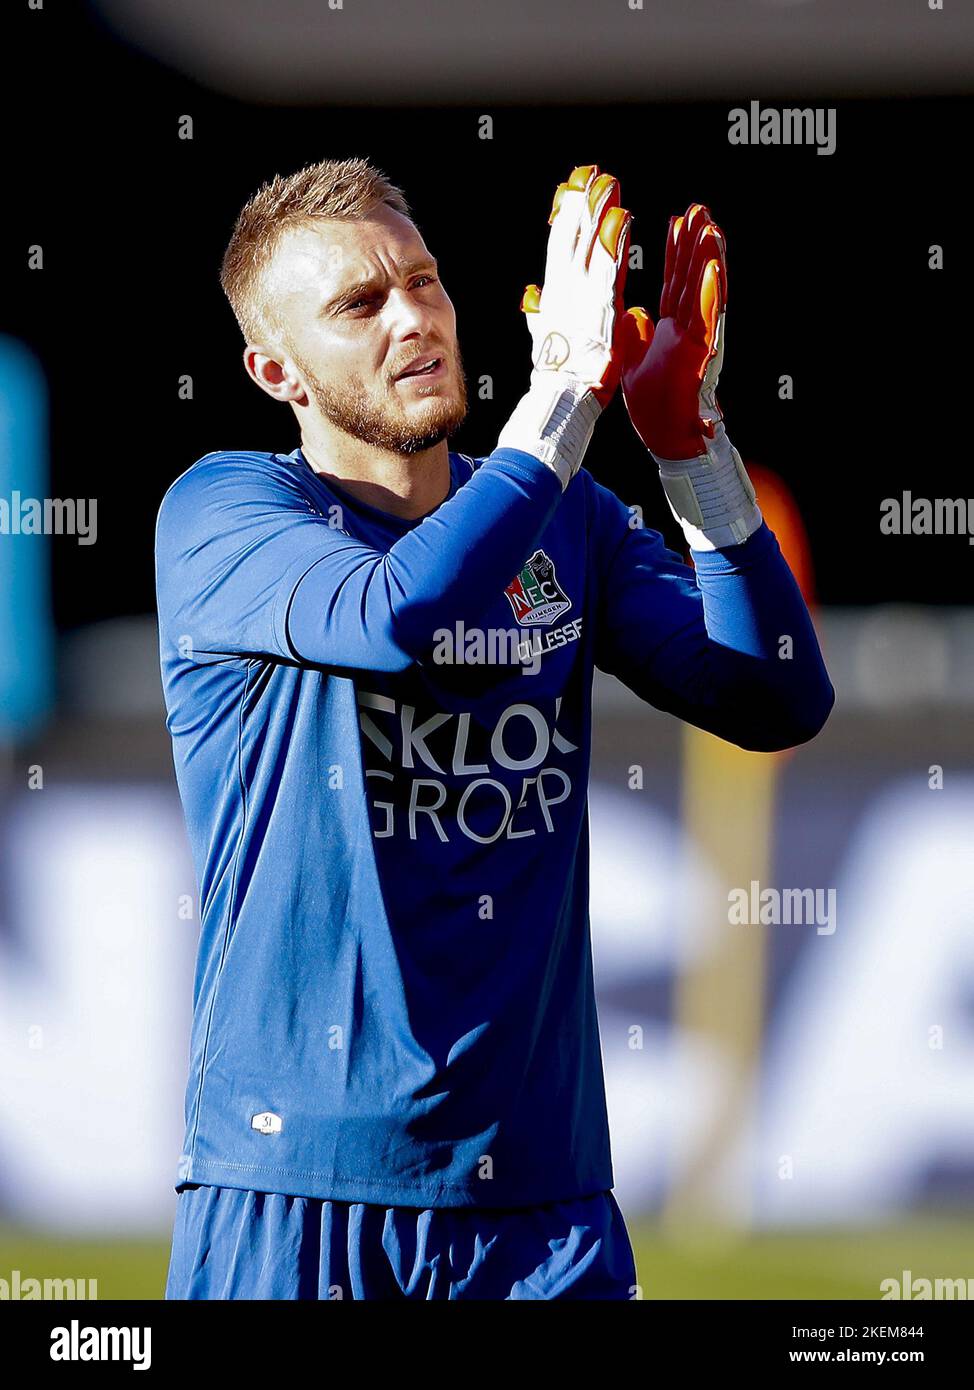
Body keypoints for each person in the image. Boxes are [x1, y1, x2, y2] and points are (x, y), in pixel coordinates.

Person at [156, 156, 833, 1300]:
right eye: (359, 305)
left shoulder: (565, 512)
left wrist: (689, 453)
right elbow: (394, 614)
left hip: (542, 1205)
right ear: (277, 371)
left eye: (422, 282)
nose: (413, 318)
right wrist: (560, 400)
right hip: (295, 1195)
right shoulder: (224, 512)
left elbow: (774, 696)